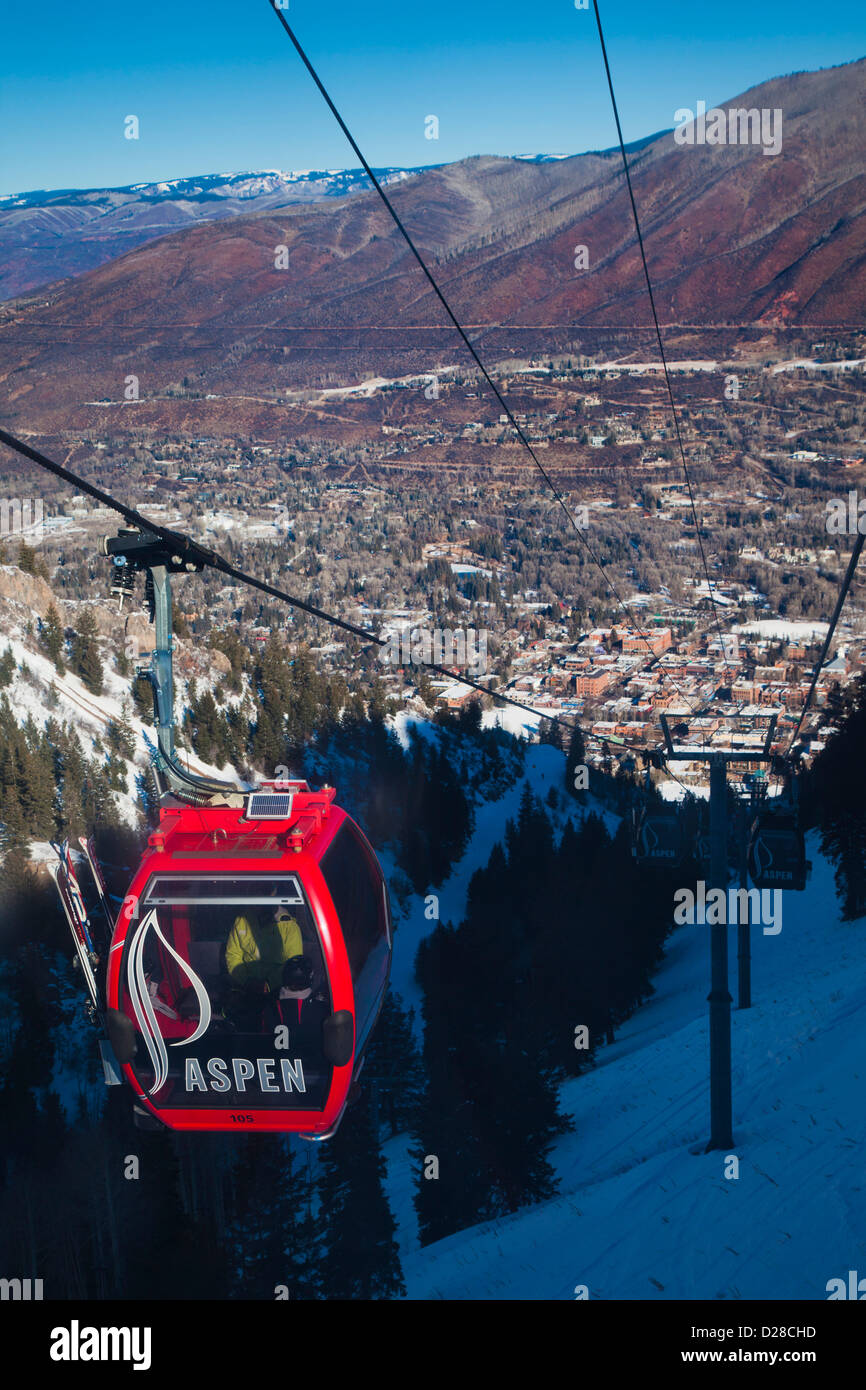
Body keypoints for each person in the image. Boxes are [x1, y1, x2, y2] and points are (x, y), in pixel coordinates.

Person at [225, 904, 303, 994]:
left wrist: (268, 984)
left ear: (275, 891)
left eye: (267, 890)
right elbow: (233, 955)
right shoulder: (242, 919)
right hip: (245, 988)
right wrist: (246, 981)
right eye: (257, 890)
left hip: (278, 991)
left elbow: (293, 964)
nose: (261, 892)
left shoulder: (289, 926)